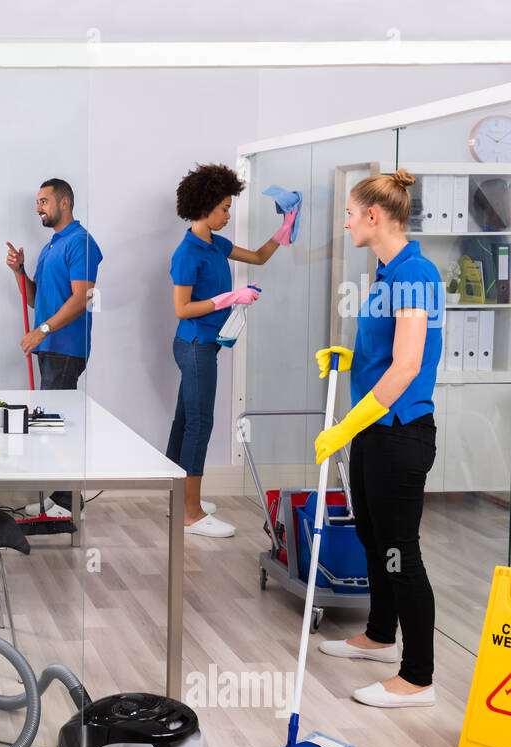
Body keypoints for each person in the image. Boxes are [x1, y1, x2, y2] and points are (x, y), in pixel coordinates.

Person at [316, 169, 441, 708]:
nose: (345, 224)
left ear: (373, 216)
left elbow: (408, 365)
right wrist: (351, 359)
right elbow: (386, 351)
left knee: (398, 549)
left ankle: (417, 677)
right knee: (372, 535)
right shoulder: (389, 274)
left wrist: (346, 424)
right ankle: (379, 635)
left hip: (399, 433)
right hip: (373, 428)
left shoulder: (417, 273)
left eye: (349, 214)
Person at [167, 163, 293, 537]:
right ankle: (190, 514)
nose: (228, 214)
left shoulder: (215, 244)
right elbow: (182, 309)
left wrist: (282, 231)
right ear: (205, 207)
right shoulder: (187, 253)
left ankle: (181, 499)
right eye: (224, 207)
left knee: (185, 421)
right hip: (193, 346)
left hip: (204, 345)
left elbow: (257, 257)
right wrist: (228, 299)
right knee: (199, 424)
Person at [5, 178, 103, 518]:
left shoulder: (82, 244)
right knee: (51, 423)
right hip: (49, 345)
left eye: (44, 201)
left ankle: (66, 502)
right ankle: (59, 496)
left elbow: (81, 300)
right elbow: (36, 299)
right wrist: (20, 272)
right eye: (37, 202)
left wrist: (42, 331)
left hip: (65, 347)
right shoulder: (50, 247)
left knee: (55, 424)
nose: (37, 208)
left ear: (65, 202)